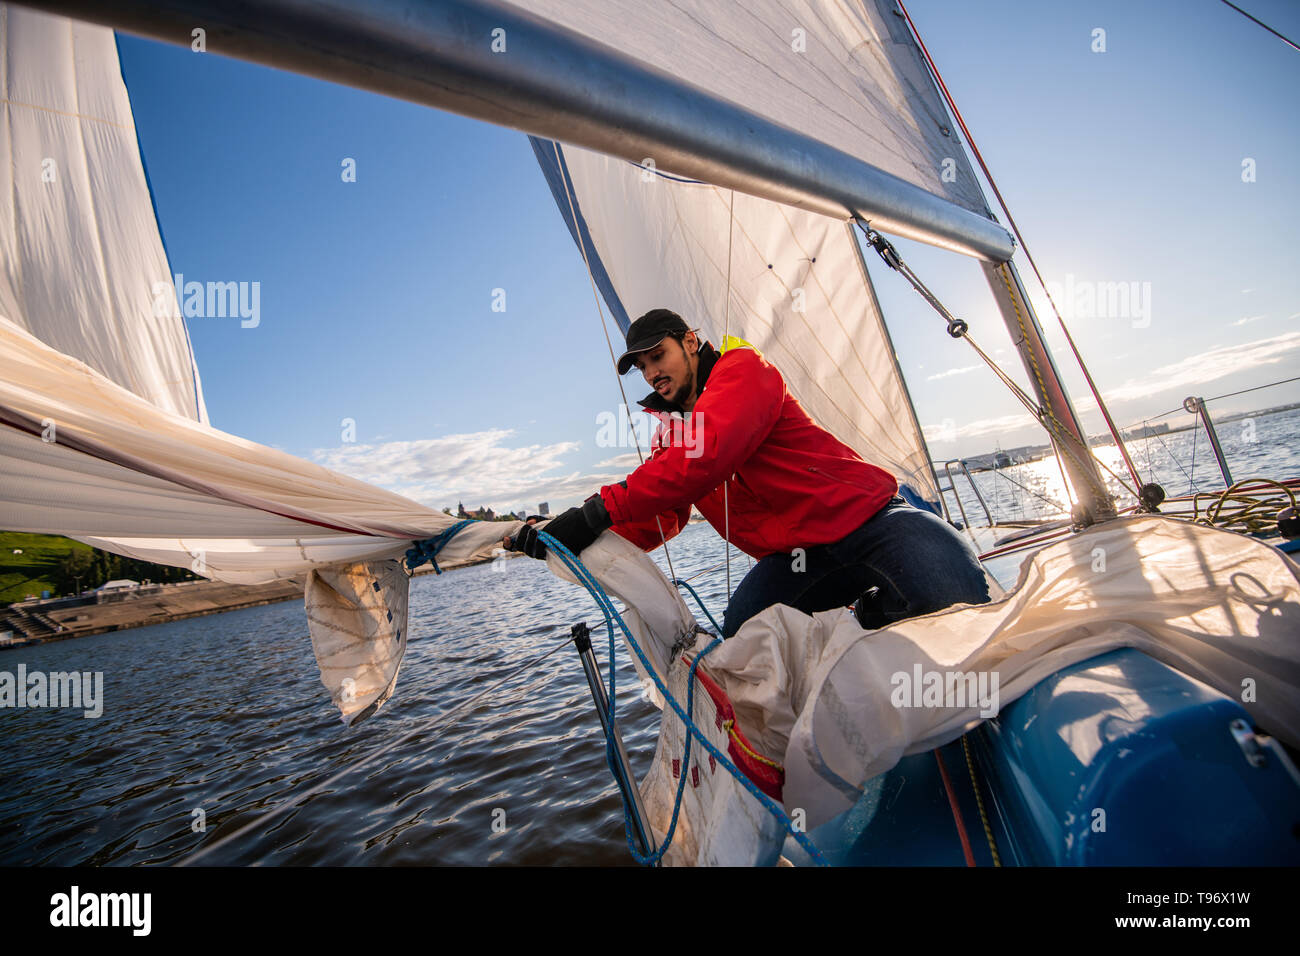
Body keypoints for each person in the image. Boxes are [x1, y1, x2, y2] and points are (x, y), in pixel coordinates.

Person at [506, 308, 990, 638]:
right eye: (642, 367)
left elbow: (707, 456)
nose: (652, 373)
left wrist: (593, 511)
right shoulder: (670, 440)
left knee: (961, 603)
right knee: (742, 642)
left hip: (873, 523)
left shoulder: (745, 370)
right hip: (798, 561)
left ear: (690, 342)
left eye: (659, 356)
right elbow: (660, 518)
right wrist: (561, 538)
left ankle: (876, 613)